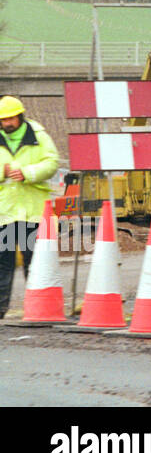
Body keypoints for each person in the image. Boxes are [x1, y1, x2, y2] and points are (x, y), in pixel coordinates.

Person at [0, 96, 60, 318]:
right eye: (3, 119)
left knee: (33, 261)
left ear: (20, 116)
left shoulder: (38, 136)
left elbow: (52, 162)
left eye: (10, 118)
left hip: (31, 211)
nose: (7, 123)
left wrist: (27, 173)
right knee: (2, 263)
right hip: (4, 213)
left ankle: (36, 309)